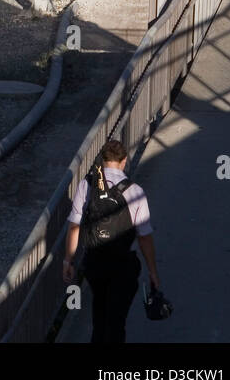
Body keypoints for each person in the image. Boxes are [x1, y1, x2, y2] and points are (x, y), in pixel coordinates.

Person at [62, 138, 161, 343]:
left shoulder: (87, 185)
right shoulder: (135, 191)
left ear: (102, 160)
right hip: (122, 265)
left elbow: (74, 227)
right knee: (116, 323)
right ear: (123, 160)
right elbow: (144, 237)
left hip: (94, 263)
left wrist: (68, 261)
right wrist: (153, 272)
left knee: (99, 315)